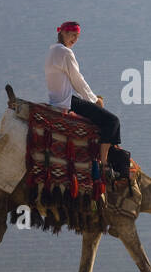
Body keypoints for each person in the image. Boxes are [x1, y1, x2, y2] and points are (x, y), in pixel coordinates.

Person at [45, 21, 122, 170]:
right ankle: (104, 163)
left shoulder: (52, 51)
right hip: (68, 102)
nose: (75, 39)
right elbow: (77, 80)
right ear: (63, 33)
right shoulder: (66, 53)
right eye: (72, 35)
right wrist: (95, 100)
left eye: (77, 36)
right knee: (112, 121)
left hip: (56, 100)